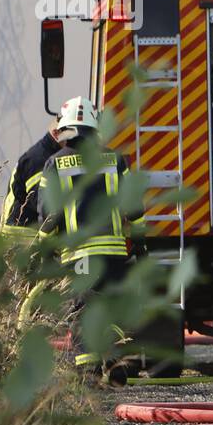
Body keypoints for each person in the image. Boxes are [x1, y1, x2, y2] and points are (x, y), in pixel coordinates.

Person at [34, 96, 146, 385]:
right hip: (114, 254)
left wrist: (43, 250)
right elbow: (133, 207)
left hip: (79, 256)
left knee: (83, 313)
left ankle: (90, 373)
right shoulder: (115, 159)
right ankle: (119, 363)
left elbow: (49, 214)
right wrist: (141, 245)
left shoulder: (55, 164)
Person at [0, 116, 63, 240]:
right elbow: (43, 205)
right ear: (56, 134)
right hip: (22, 240)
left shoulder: (49, 156)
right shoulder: (38, 160)